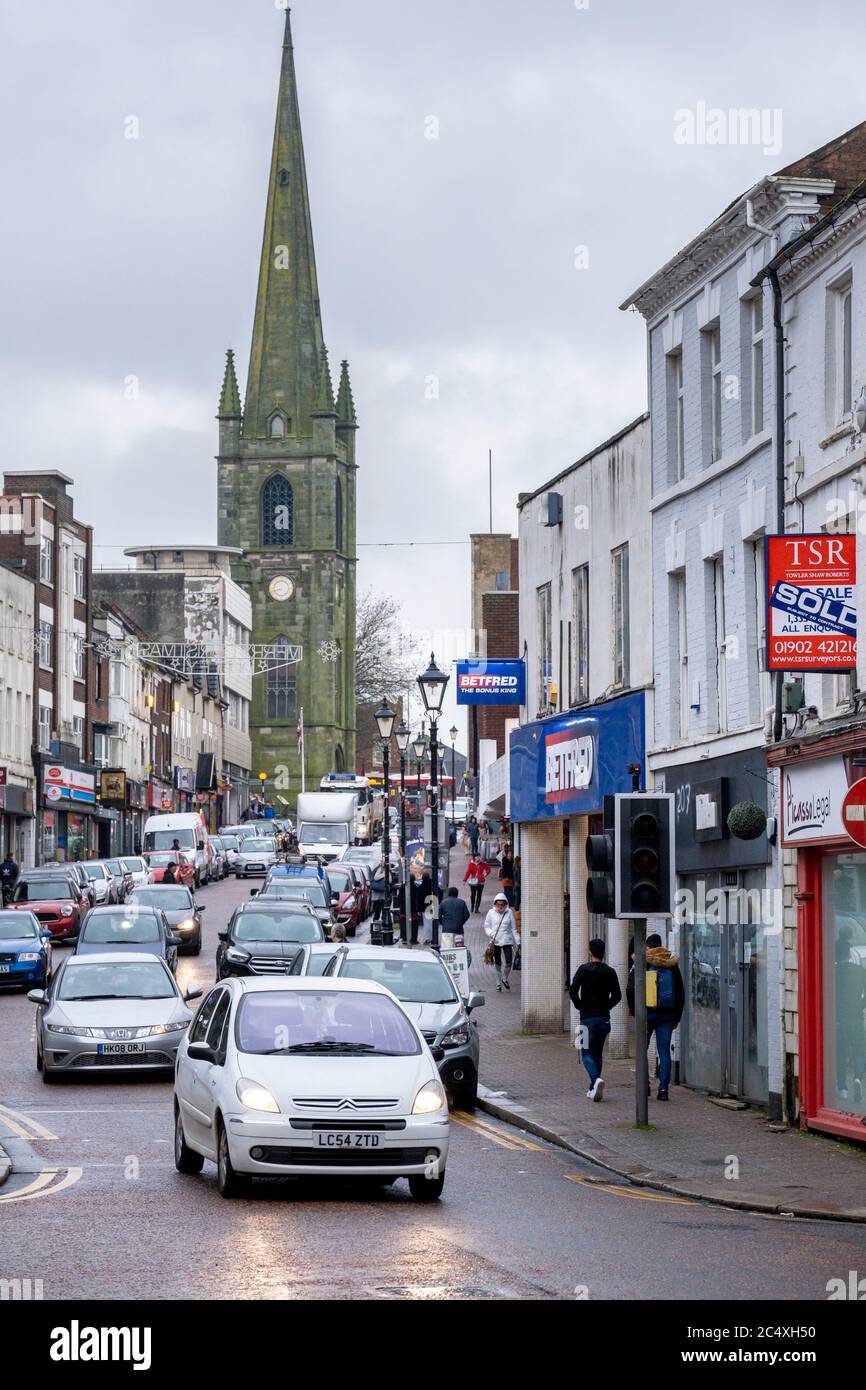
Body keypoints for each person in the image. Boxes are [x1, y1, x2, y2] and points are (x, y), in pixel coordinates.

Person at [627, 933, 685, 1101]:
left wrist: (635, 1012)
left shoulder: (642, 962)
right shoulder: (671, 964)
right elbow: (680, 993)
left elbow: (630, 988)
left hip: (646, 1014)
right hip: (667, 1015)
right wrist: (677, 1017)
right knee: (664, 1051)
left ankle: (644, 1085)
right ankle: (663, 1089)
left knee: (641, 1051)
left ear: (648, 947)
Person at [569, 939, 622, 1102]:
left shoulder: (583, 970)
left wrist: (580, 1006)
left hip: (586, 1019)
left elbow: (572, 990)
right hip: (603, 1020)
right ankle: (593, 1089)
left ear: (590, 952)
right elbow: (618, 995)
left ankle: (595, 1081)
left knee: (585, 1053)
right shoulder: (610, 972)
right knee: (597, 1053)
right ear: (604, 953)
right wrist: (606, 1006)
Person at [484, 892, 519, 992]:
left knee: (509, 961)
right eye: (498, 904)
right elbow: (487, 926)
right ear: (495, 904)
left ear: (505, 904)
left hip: (507, 940)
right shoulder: (491, 912)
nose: (500, 906)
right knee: (498, 962)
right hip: (496, 941)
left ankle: (504, 978)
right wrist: (491, 933)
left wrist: (518, 941)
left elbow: (513, 929)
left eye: (502, 904)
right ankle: (498, 983)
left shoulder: (509, 913)